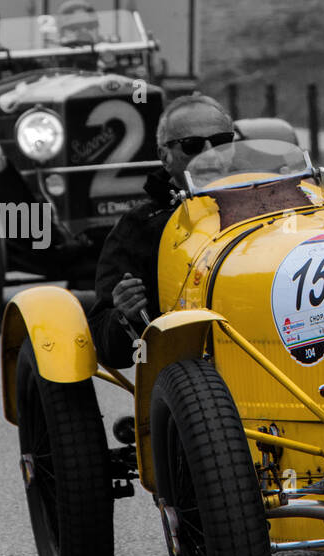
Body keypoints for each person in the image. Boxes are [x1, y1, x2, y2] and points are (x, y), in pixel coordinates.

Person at [87, 95, 235, 368]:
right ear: (164, 156)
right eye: (192, 145)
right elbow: (109, 349)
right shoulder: (138, 227)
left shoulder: (273, 201)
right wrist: (125, 313)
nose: (209, 153)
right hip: (189, 376)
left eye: (221, 141)